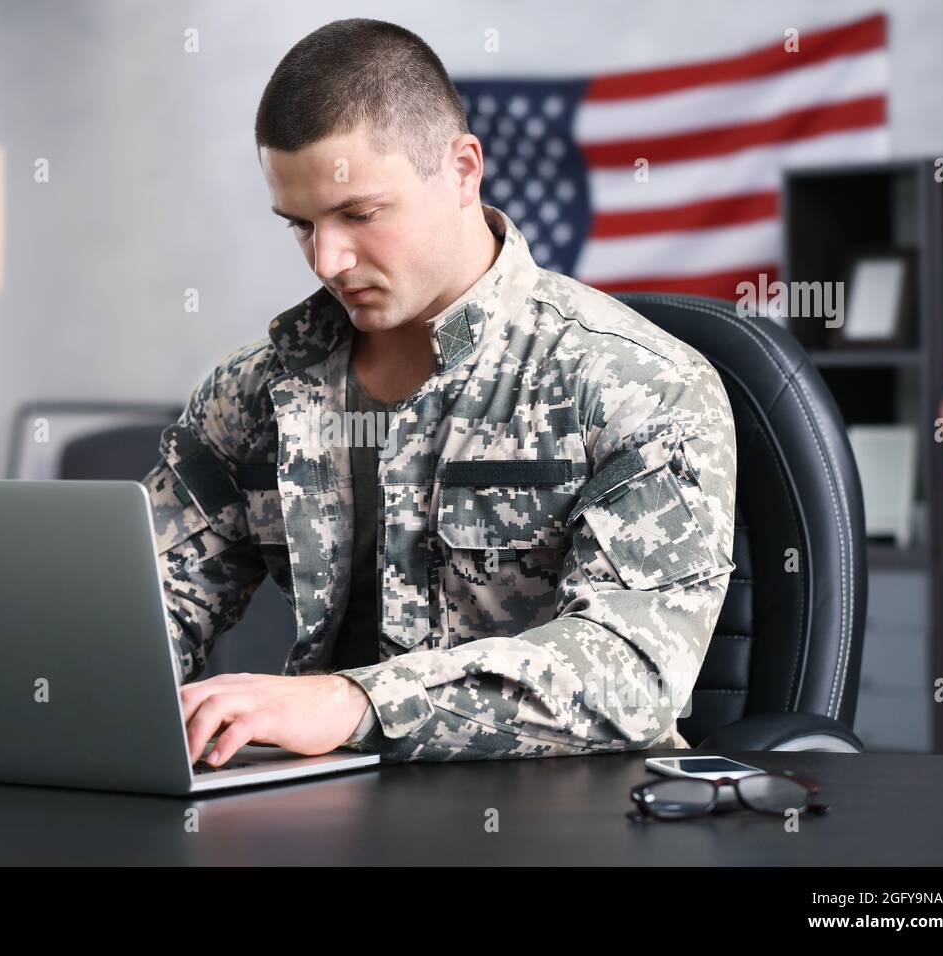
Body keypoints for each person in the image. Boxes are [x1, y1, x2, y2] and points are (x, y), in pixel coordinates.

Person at [145, 18, 737, 767]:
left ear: (462, 170)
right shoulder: (250, 395)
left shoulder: (639, 386)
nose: (328, 259)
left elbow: (629, 671)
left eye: (358, 213)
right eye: (300, 225)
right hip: (313, 811)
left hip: (564, 820)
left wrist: (354, 701)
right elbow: (150, 607)